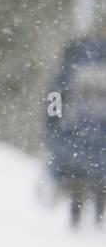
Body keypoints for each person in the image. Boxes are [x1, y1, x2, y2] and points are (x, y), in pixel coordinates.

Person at [45, 28, 106, 229]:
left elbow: (55, 99)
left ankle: (76, 222)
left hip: (74, 142)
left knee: (77, 186)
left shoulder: (75, 59)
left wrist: (52, 131)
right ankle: (98, 224)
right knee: (101, 189)